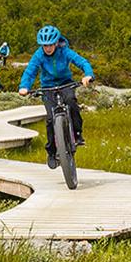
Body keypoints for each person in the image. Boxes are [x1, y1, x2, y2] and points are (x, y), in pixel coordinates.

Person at [18, 25, 93, 169]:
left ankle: (77, 134)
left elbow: (82, 62)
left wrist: (88, 75)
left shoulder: (64, 51)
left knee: (71, 103)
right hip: (48, 87)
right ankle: (52, 152)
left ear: (56, 42)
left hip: (66, 84)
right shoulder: (39, 55)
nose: (48, 48)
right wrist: (24, 86)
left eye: (51, 44)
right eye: (45, 45)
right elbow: (30, 71)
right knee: (51, 118)